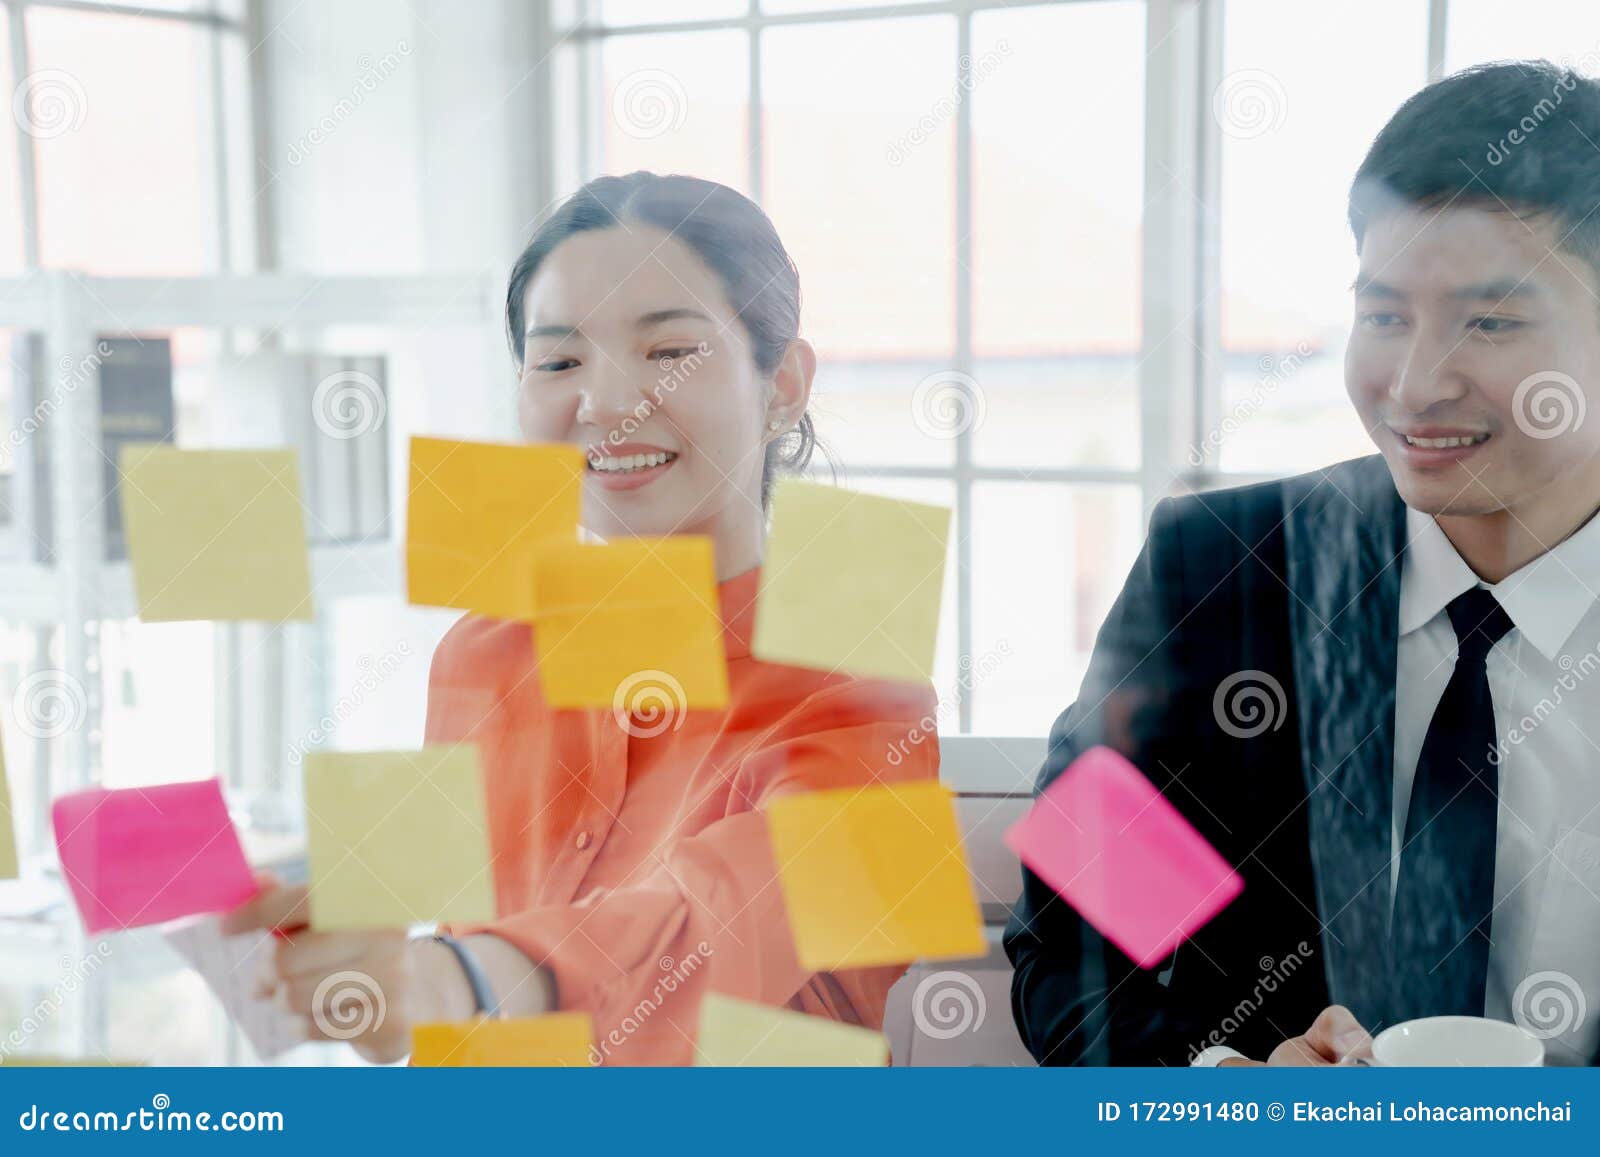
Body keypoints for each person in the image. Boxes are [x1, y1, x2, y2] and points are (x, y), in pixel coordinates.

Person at [224, 172, 940, 1065]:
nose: (605, 403)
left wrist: (462, 978)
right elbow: (438, 1012)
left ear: (784, 385)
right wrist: (342, 962)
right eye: (558, 361)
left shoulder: (866, 686)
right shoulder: (481, 657)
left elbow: (721, 923)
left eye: (668, 351)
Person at [1006, 60, 1600, 1067]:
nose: (1412, 384)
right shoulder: (1221, 576)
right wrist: (1213, 1086)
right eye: (1382, 315)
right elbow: (1078, 934)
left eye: (1489, 321)